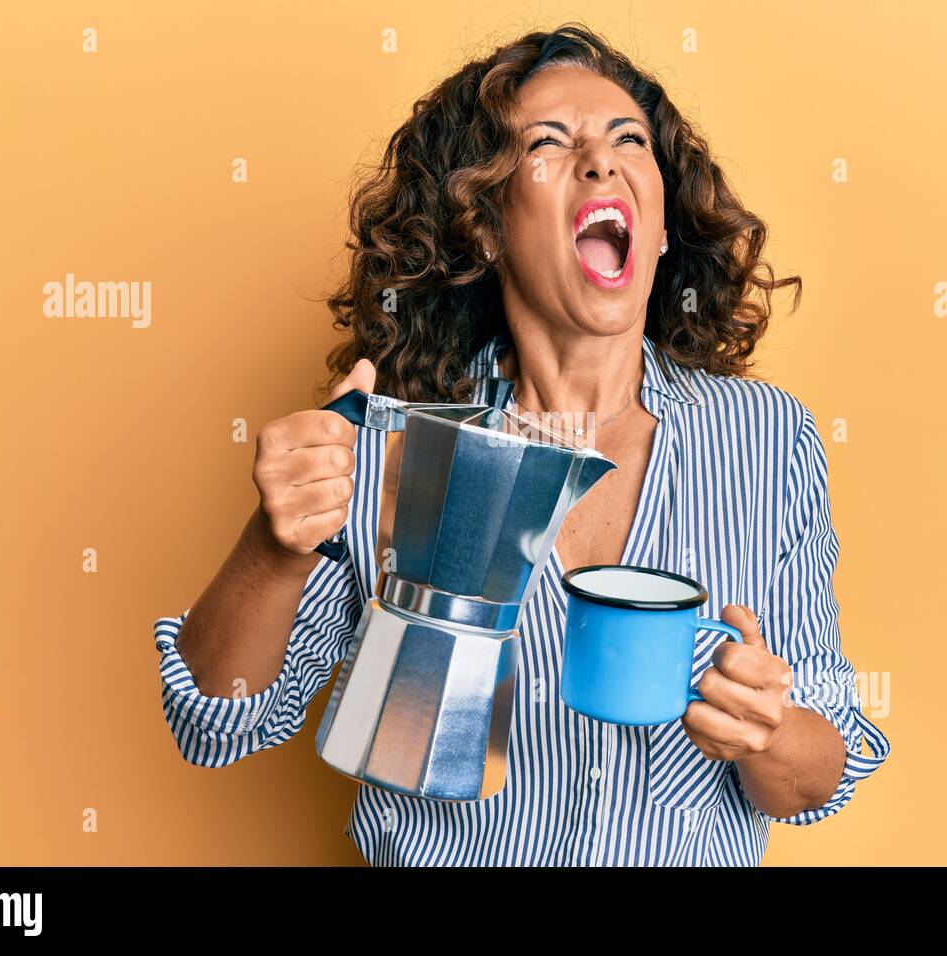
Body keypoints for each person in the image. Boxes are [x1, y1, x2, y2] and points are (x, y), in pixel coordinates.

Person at [152, 22, 891, 866]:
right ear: (487, 226)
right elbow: (214, 723)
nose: (601, 160)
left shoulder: (768, 440)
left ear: (656, 229)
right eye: (549, 142)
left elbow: (820, 769)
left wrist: (764, 732)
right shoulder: (400, 442)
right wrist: (273, 546)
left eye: (629, 141)